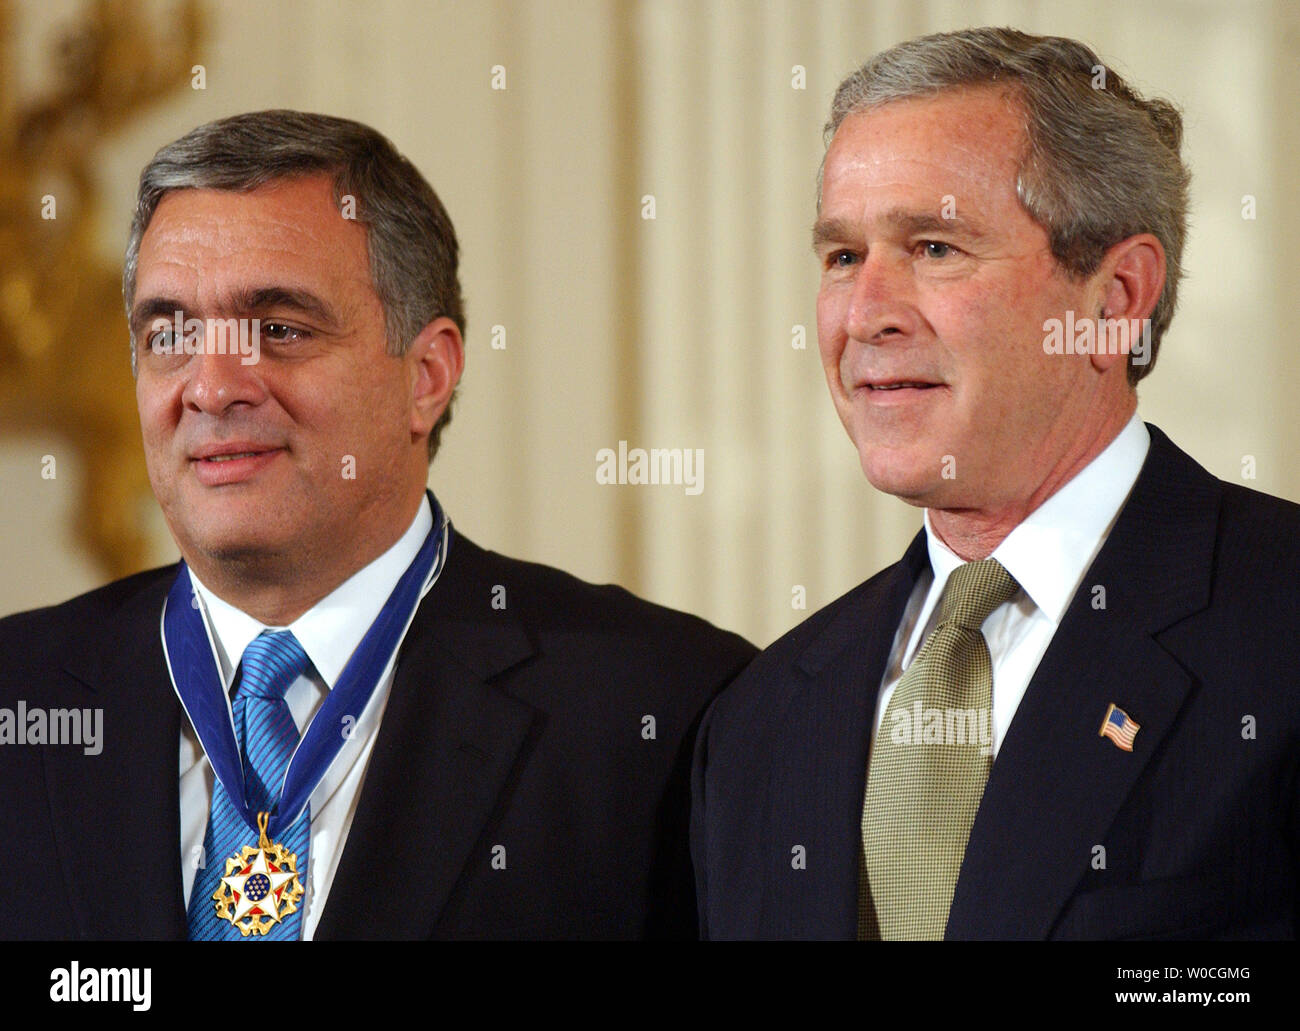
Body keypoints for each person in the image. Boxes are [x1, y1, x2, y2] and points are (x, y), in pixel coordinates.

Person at [0, 110, 755, 940]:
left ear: (427, 375)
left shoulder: (668, 710)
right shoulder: (20, 692)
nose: (211, 388)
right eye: (170, 334)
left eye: (280, 330)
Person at [691, 27, 1300, 940]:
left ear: (1117, 298)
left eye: (934, 247)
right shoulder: (761, 718)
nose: (865, 314)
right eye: (843, 257)